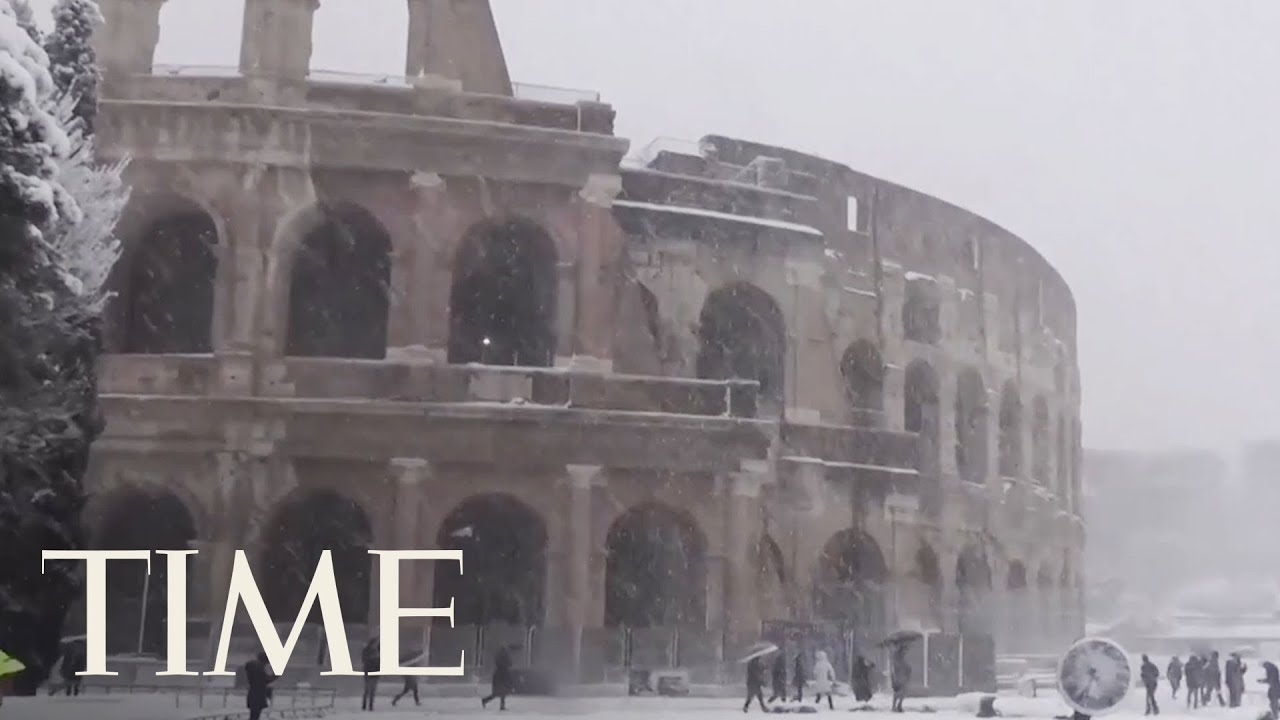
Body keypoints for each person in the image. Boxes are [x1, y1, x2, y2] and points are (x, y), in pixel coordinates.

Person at [243, 652, 276, 720]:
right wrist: (276, 676)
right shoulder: (259, 668)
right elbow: (265, 680)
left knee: (254, 715)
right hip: (258, 695)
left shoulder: (254, 667)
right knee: (255, 716)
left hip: (254, 694)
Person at [482, 644, 513, 710]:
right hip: (501, 675)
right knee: (499, 693)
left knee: (500, 693)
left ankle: (487, 701)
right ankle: (485, 700)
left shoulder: (500, 655)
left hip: (500, 675)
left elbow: (507, 663)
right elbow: (509, 663)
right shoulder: (504, 656)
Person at [360, 636, 379, 712]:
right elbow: (364, 660)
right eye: (375, 643)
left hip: (375, 673)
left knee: (373, 691)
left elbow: (379, 663)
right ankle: (364, 705)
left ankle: (371, 706)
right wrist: (375, 658)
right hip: (368, 672)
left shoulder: (377, 651)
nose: (375, 645)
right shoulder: (366, 651)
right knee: (367, 690)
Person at [891, 645, 912, 713]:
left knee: (903, 691)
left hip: (903, 676)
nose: (905, 652)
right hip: (898, 676)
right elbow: (896, 667)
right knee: (899, 691)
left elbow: (906, 667)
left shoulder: (902, 658)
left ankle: (899, 705)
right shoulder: (897, 658)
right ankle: (895, 706)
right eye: (904, 650)